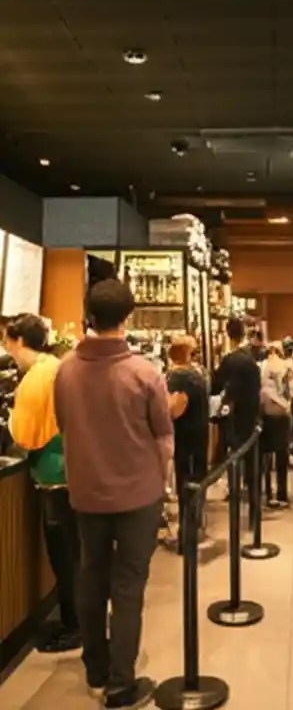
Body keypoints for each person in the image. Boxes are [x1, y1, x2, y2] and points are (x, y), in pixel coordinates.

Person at [55, 279, 173, 707]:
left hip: (86, 494)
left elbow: (65, 425)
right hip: (139, 495)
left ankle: (96, 671)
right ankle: (122, 683)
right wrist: (162, 485)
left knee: (91, 576)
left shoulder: (65, 369)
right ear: (128, 318)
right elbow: (163, 437)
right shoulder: (145, 373)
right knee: (128, 585)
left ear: (89, 315)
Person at [6, 314, 80, 653]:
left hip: (54, 477)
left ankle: (74, 626)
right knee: (72, 556)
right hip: (70, 473)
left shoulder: (36, 378)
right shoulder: (54, 366)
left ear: (19, 341)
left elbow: (24, 434)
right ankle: (76, 620)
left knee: (65, 557)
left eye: (7, 342)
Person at [165, 335, 209, 547]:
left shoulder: (178, 377)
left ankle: (186, 539)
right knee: (196, 485)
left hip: (185, 439)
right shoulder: (198, 374)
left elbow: (176, 408)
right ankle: (194, 530)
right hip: (199, 437)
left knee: (185, 487)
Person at [212, 318, 261, 457]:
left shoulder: (229, 359)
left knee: (233, 454)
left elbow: (215, 386)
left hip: (234, 415)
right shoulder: (252, 358)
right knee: (249, 454)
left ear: (227, 334)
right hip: (252, 412)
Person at [260, 342, 293, 509]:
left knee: (266, 458)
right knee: (282, 456)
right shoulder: (289, 366)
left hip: (267, 413)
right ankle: (282, 494)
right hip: (283, 414)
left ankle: (268, 493)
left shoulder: (261, 366)